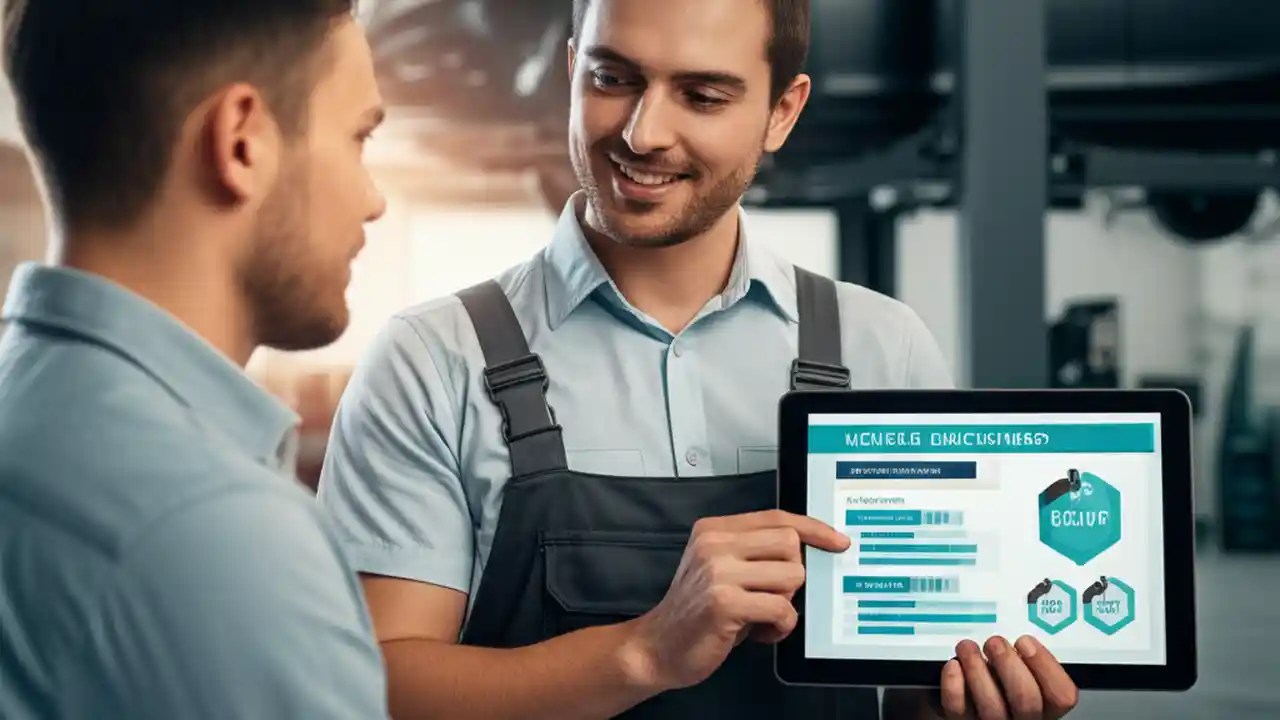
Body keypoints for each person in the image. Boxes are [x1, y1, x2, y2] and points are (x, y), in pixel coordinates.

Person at [317, 0, 1081, 718]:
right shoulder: (431, 361)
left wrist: (960, 704)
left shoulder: (883, 347)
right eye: (613, 79)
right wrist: (644, 652)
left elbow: (911, 679)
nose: (645, 133)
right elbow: (374, 688)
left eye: (704, 95)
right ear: (571, 71)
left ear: (782, 111)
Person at [0, 0, 390, 717]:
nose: (375, 200)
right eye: (359, 137)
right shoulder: (221, 533)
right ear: (242, 141)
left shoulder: (21, 409)